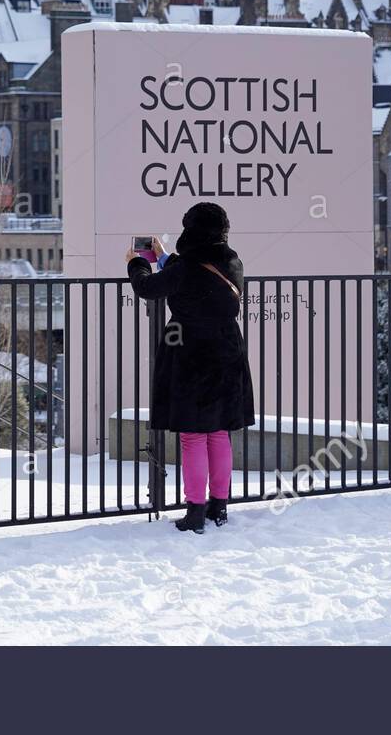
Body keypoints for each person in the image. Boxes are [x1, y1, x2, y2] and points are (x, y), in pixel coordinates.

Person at [125, 202, 255, 534]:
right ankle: (219, 506)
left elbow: (149, 288)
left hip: (189, 354)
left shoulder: (184, 269)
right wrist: (166, 257)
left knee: (193, 436)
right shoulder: (232, 262)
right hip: (228, 351)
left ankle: (195, 510)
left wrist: (138, 262)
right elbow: (199, 275)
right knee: (219, 432)